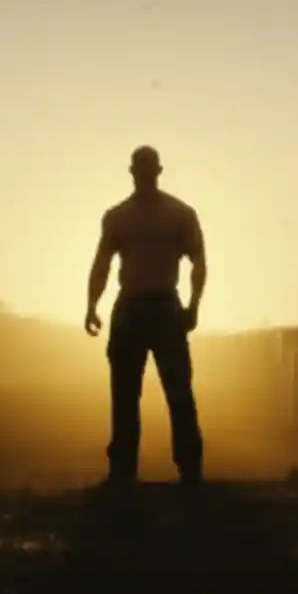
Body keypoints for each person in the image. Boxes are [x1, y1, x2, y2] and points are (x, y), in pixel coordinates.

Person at [85, 145, 207, 488]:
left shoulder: (174, 214)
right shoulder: (123, 217)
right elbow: (102, 264)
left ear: (152, 171)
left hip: (158, 307)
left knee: (173, 393)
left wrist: (194, 305)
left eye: (145, 168)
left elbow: (198, 261)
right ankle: (128, 471)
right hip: (140, 308)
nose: (143, 174)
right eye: (142, 168)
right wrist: (92, 304)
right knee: (131, 394)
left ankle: (185, 470)